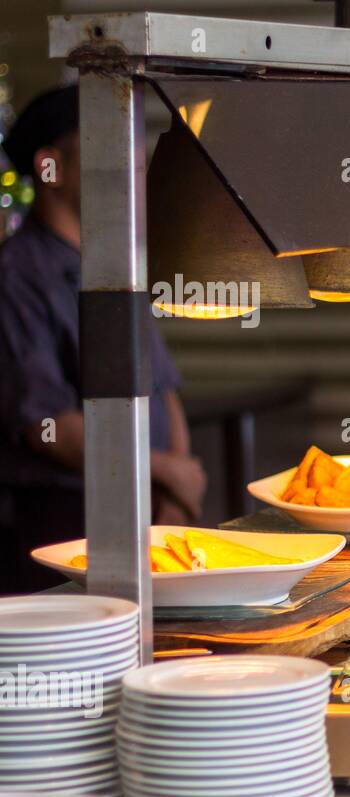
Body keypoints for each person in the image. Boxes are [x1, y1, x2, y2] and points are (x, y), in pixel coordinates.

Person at [0, 85, 206, 593]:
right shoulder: (16, 274)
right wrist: (167, 472)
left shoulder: (111, 266)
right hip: (64, 528)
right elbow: (47, 426)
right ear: (51, 167)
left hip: (153, 508)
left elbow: (163, 387)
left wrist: (175, 488)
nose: (133, 167)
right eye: (109, 148)